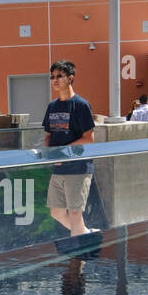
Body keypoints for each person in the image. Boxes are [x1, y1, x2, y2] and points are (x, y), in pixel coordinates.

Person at [43, 60, 96, 236]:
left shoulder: (81, 105)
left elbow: (89, 138)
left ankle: (78, 257)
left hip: (78, 168)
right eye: (52, 77)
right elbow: (49, 136)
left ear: (70, 78)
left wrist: (62, 153)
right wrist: (49, 154)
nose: (55, 80)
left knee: (74, 213)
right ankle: (85, 234)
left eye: (59, 76)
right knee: (56, 212)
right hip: (58, 168)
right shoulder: (52, 106)